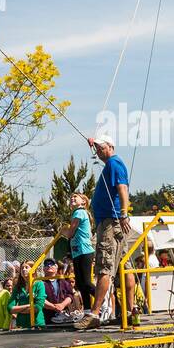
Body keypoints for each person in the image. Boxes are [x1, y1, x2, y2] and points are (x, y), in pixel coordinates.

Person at [77, 137, 135, 330]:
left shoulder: (114, 163)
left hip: (111, 223)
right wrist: (93, 143)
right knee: (123, 265)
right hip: (111, 221)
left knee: (105, 266)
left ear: (111, 147)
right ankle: (129, 311)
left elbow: (123, 188)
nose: (99, 151)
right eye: (97, 149)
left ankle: (94, 313)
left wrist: (124, 214)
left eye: (102, 147)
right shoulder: (110, 163)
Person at [63, 191, 94, 313]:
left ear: (83, 201)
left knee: (86, 282)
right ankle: (87, 310)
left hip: (84, 250)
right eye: (71, 197)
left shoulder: (80, 212)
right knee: (80, 284)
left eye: (75, 196)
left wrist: (62, 231)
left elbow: (70, 233)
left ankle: (102, 303)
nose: (72, 198)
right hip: (77, 252)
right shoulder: (75, 213)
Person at [40, 258, 82, 324]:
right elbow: (40, 299)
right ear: (43, 269)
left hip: (64, 316)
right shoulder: (40, 283)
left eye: (52, 264)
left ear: (57, 267)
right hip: (47, 317)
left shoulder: (63, 282)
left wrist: (62, 305)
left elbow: (70, 295)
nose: (49, 266)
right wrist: (54, 307)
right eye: (46, 264)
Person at [8, 259, 46, 329]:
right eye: (22, 268)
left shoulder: (39, 284)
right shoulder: (18, 287)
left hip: (37, 324)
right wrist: (29, 305)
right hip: (21, 325)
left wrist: (18, 310)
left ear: (33, 270)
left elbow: (38, 307)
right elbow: (10, 308)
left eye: (26, 267)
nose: (24, 269)